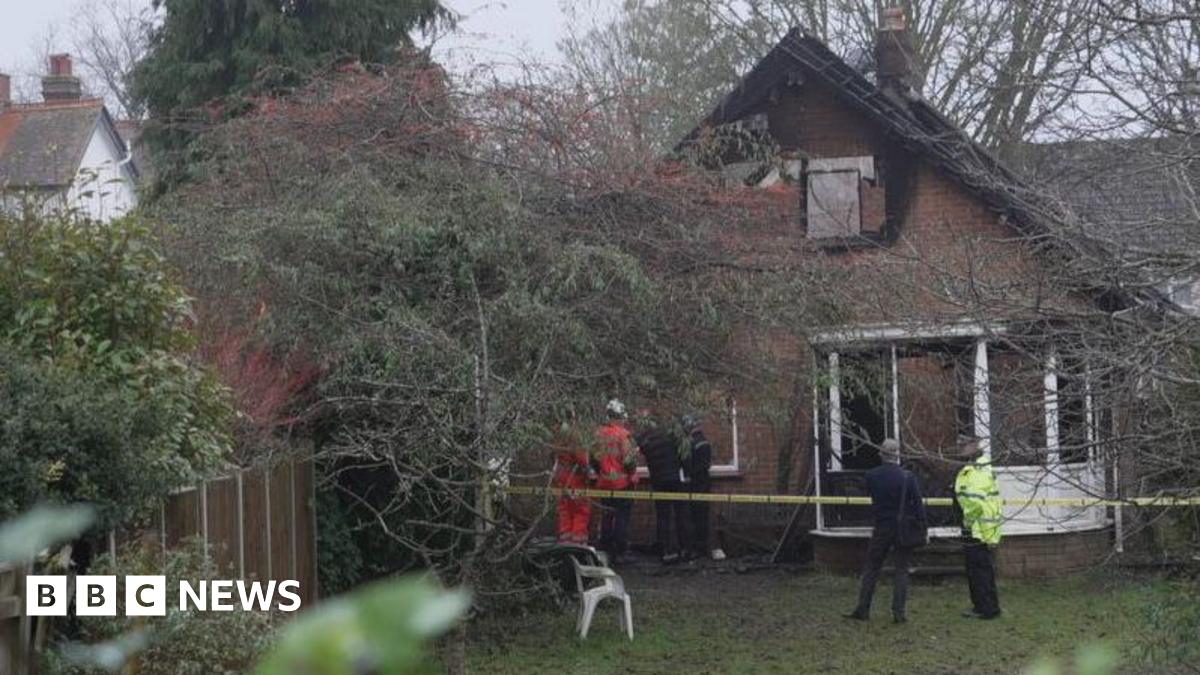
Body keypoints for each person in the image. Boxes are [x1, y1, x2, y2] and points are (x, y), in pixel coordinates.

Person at [844, 438, 927, 624]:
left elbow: (867, 496)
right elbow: (918, 506)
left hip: (882, 527)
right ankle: (899, 613)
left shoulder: (872, 475)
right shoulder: (908, 477)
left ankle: (863, 609)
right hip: (903, 529)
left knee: (872, 568)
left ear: (881, 455)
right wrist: (922, 527)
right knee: (901, 570)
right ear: (897, 455)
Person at [955, 439, 1003, 620]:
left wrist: (967, 521)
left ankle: (985, 608)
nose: (960, 449)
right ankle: (986, 606)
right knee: (981, 568)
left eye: (963, 445)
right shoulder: (978, 467)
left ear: (974, 447)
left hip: (976, 528)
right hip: (981, 527)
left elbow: (974, 501)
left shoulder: (978, 470)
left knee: (978, 570)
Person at [634, 413, 691, 564]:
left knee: (663, 516)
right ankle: (684, 548)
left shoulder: (648, 441)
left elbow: (638, 443)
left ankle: (664, 549)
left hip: (658, 481)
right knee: (681, 514)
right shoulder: (671, 436)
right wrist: (686, 472)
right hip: (675, 479)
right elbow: (684, 456)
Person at [593, 399, 639, 562]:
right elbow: (628, 461)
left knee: (607, 515)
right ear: (620, 417)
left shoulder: (598, 434)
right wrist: (631, 473)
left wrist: (602, 472)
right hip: (622, 483)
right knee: (621, 517)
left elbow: (594, 458)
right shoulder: (622, 434)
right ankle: (621, 552)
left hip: (605, 482)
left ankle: (605, 548)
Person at [680, 415, 726, 561]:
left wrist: (687, 475)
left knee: (694, 517)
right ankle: (705, 547)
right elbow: (706, 465)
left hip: (694, 484)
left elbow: (687, 465)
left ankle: (696, 548)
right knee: (703, 516)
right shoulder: (704, 442)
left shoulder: (689, 443)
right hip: (704, 483)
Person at [551, 420, 594, 545]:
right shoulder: (576, 437)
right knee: (581, 511)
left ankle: (565, 541)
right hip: (575, 480)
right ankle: (578, 542)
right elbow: (583, 461)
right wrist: (588, 474)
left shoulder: (557, 437)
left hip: (561, 480)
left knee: (565, 511)